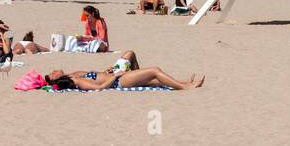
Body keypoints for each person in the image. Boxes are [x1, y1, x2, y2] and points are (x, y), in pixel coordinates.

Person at [43, 65, 203, 90]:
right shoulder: (75, 81)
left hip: (115, 77)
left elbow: (97, 77)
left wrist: (106, 71)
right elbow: (100, 88)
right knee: (154, 70)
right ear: (55, 79)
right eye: (52, 73)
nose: (55, 70)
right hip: (118, 82)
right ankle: (185, 87)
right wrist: (115, 76)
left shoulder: (73, 74)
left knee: (154, 81)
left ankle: (184, 82)